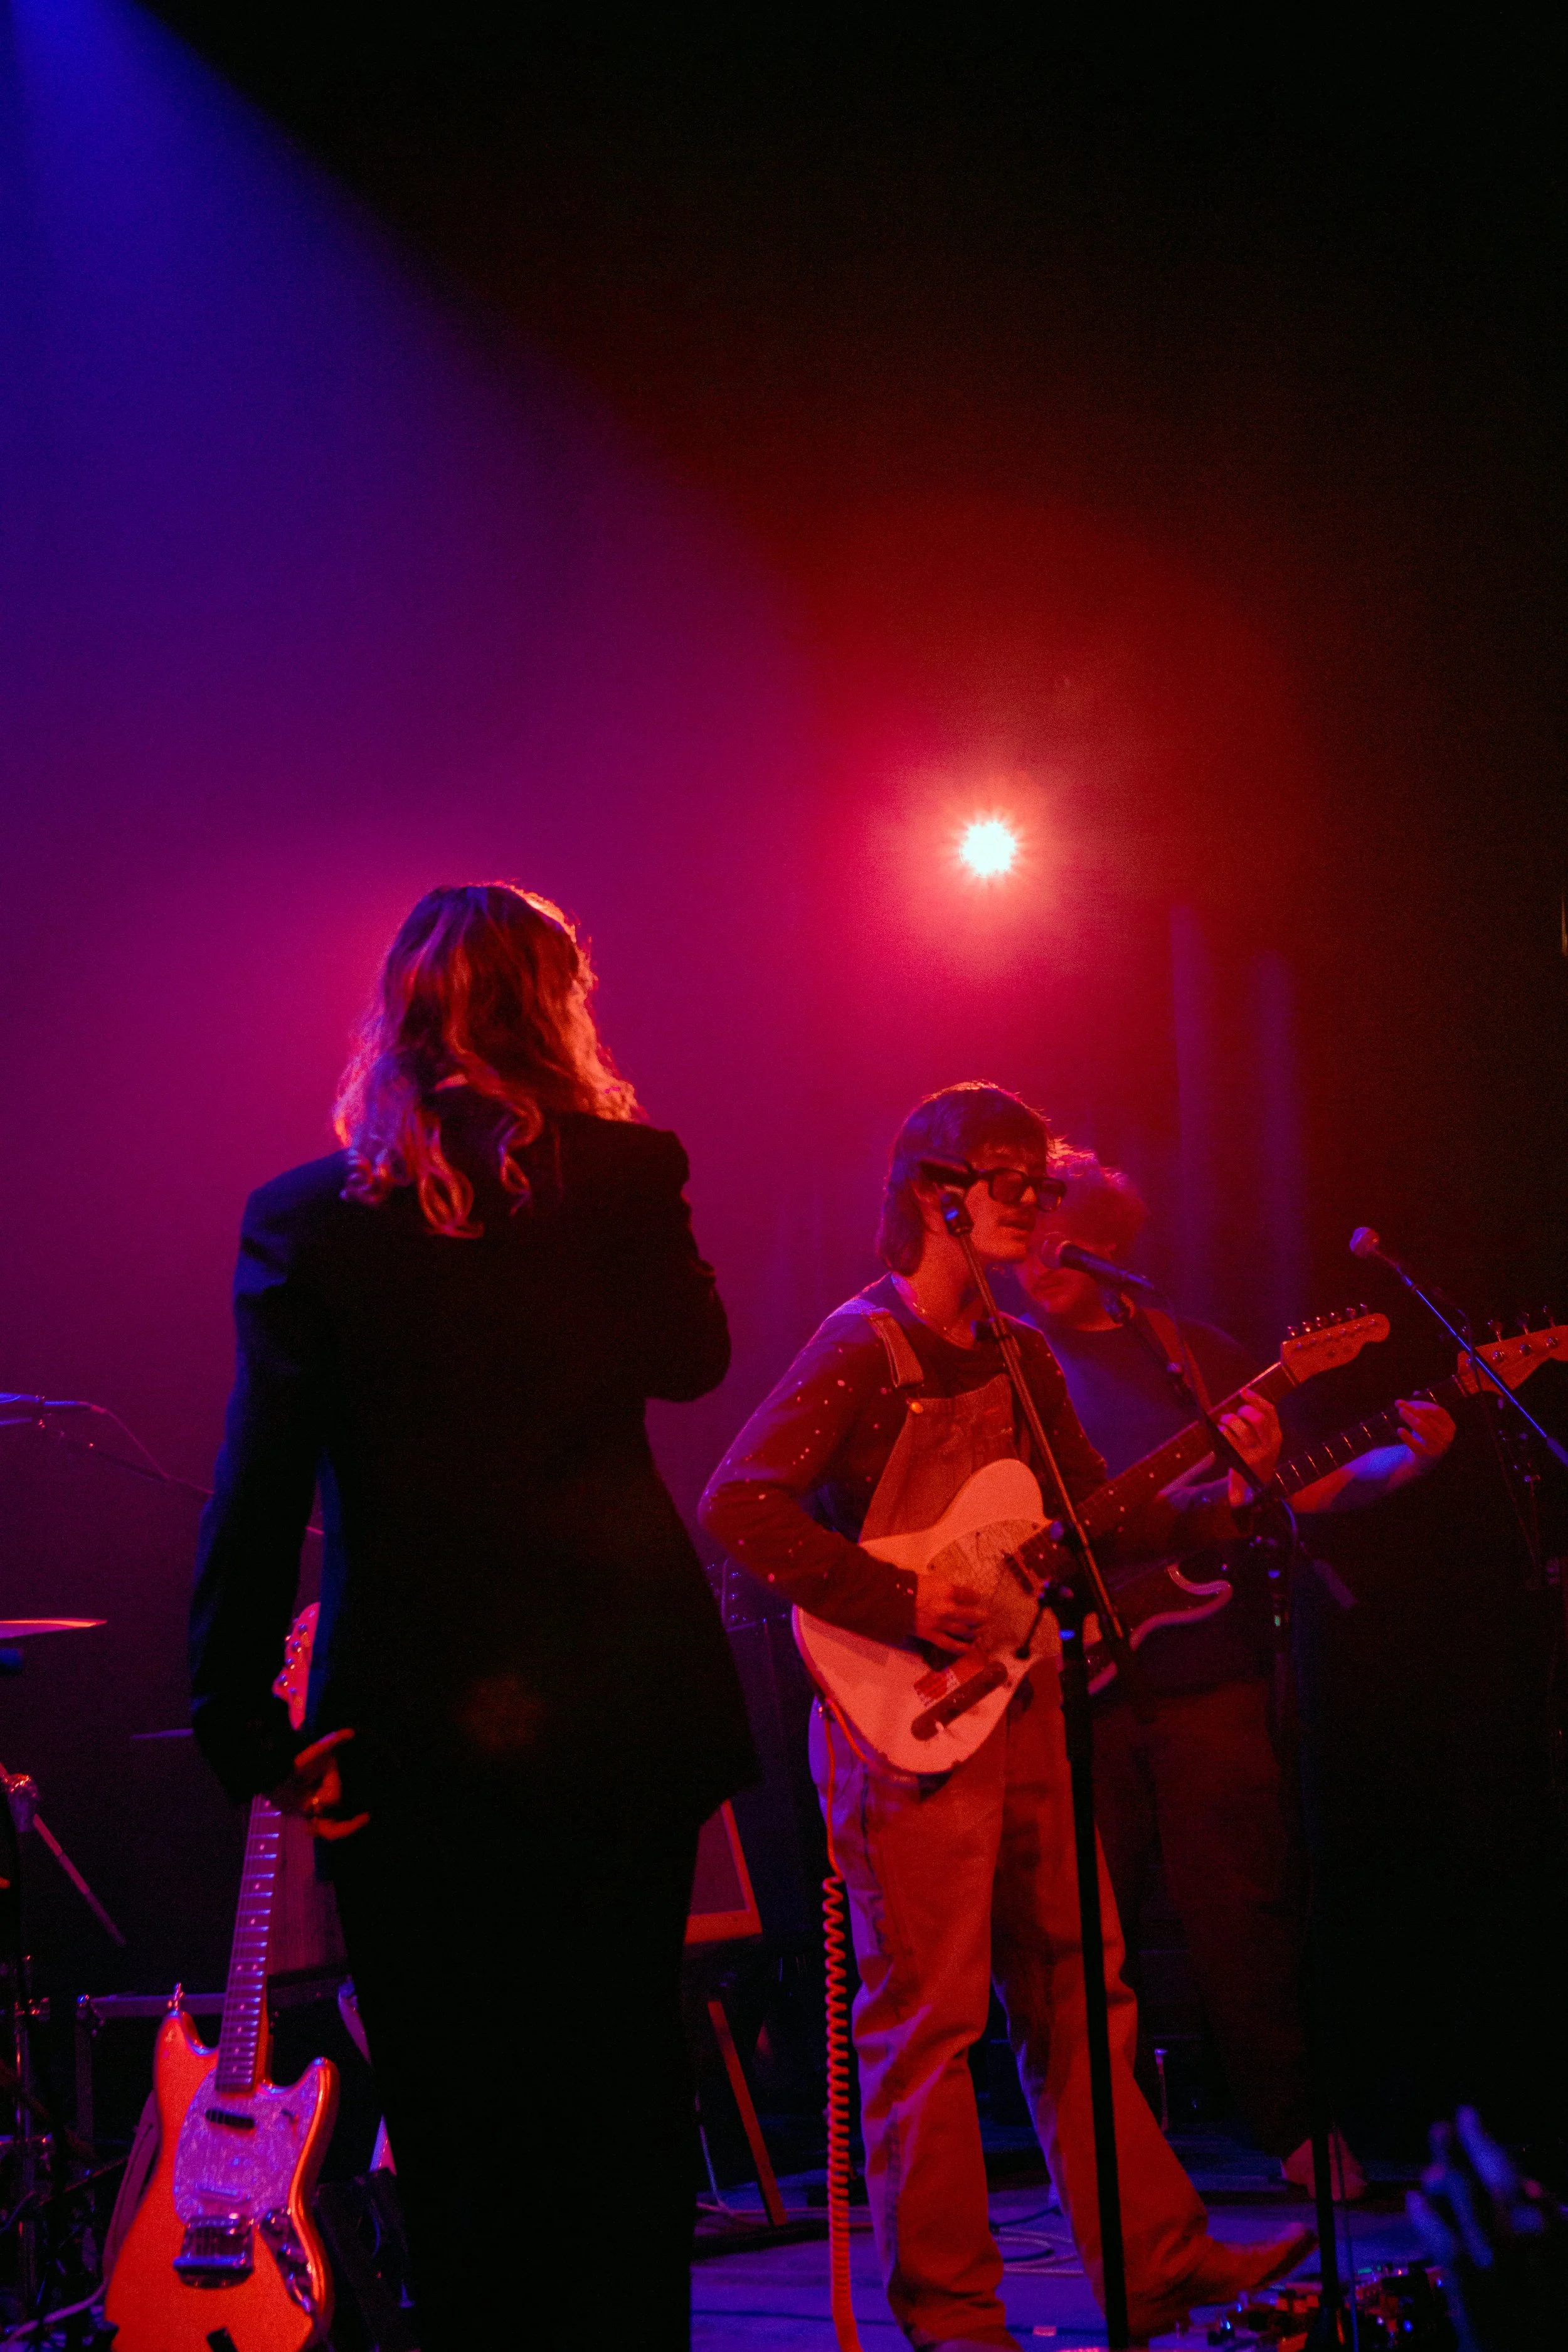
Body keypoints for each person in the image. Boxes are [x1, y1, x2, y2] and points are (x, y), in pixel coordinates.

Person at [189, 882, 755, 2351]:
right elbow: (694, 1358)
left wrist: (242, 1715)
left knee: (451, 2115)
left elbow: (259, 1485)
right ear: (559, 1004)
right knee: (622, 2095)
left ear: (393, 1021)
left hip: (412, 1723)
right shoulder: (622, 1173)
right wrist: (575, 1185)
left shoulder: (304, 1223)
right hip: (619, 1703)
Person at [699, 1083, 1313, 2352]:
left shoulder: (1021, 1356)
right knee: (928, 2024)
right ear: (938, 1193)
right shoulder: (860, 1347)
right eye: (1015, 1184)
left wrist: (1217, 1497)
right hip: (898, 1725)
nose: (1041, 1209)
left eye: (1044, 1182)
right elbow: (741, 1507)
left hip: (1025, 1699)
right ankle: (952, 2320)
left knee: (1082, 1988)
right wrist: (892, 1598)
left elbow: (1096, 1529)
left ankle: (1156, 2266)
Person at [1015, 1150, 1454, 2200]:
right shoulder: (1011, 1364)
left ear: (1108, 1243)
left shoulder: (1192, 1359)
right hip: (1055, 1669)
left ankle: (1296, 2127)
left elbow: (1296, 1489)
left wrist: (1412, 1458)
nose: (1032, 1252)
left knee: (1241, 1908)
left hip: (1200, 1664)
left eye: (1054, 1230)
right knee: (1077, 1929)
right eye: (1022, 1230)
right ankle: (1101, 2164)